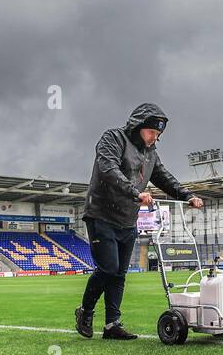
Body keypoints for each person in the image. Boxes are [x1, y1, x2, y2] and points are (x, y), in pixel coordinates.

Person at [76, 102, 203, 340]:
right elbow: (108, 169)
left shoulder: (150, 153)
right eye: (152, 132)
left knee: (120, 274)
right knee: (108, 268)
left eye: (158, 135)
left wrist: (187, 195)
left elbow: (163, 177)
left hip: (127, 219)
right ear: (138, 126)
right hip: (101, 214)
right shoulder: (113, 138)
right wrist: (135, 192)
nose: (155, 138)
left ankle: (111, 325)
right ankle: (85, 311)